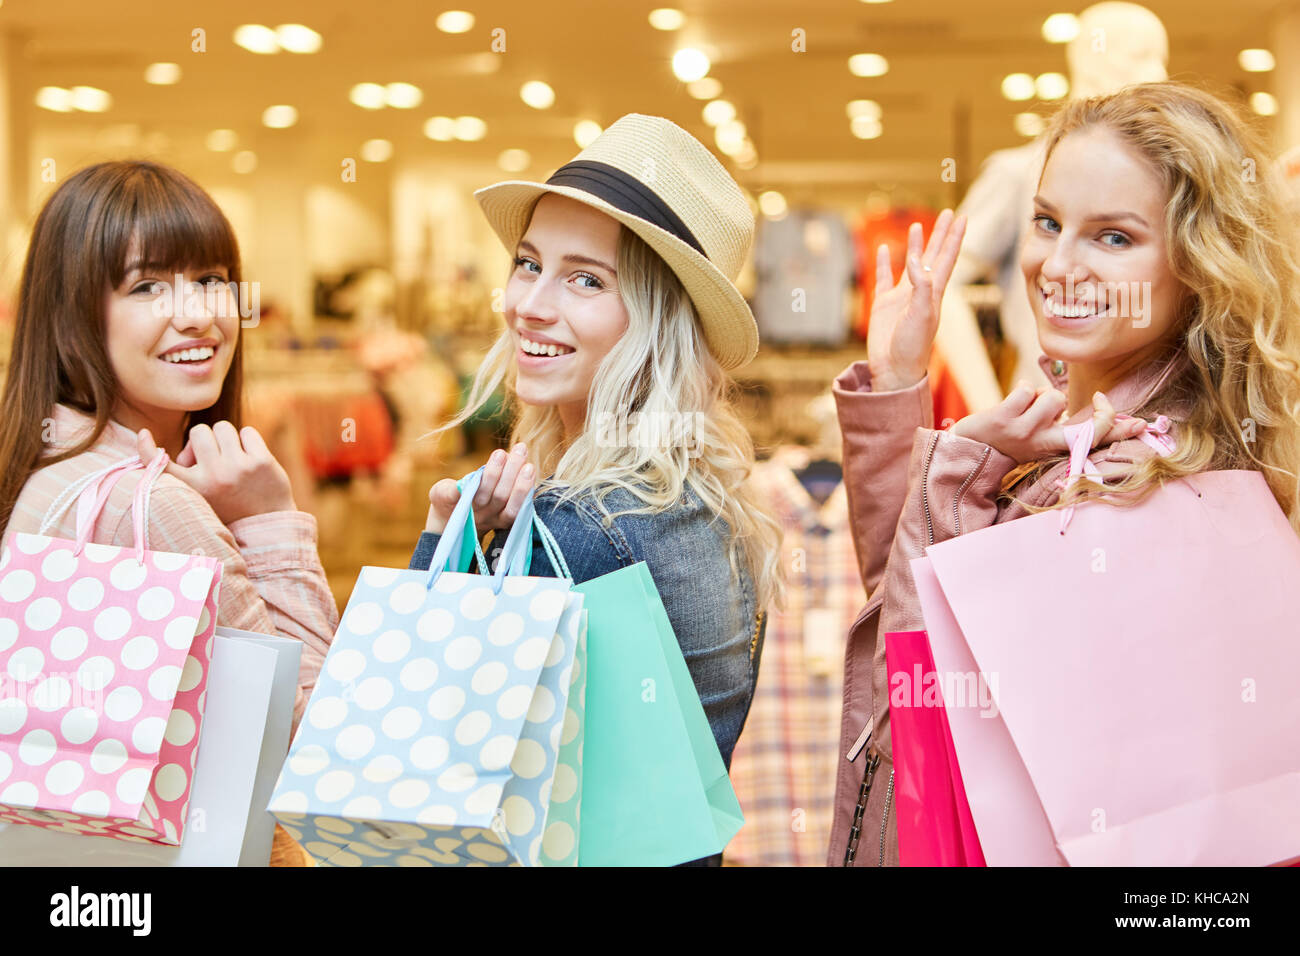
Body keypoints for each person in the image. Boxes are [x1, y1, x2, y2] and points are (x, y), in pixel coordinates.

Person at [828, 81, 1300, 866]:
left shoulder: (1124, 484)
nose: (1057, 264)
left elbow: (921, 710)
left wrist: (954, 475)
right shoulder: (1077, 436)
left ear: (1198, 264)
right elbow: (901, 605)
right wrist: (901, 385)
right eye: (1048, 222)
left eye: (1113, 237)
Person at [408, 115, 786, 862]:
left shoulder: (582, 527)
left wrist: (440, 548)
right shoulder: (705, 503)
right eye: (528, 263)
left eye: (586, 279)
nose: (529, 304)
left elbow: (423, 740)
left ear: (658, 320)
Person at [0, 161, 338, 728]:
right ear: (70, 317)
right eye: (146, 287)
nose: (199, 316)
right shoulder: (149, 504)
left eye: (211, 280)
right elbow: (312, 739)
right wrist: (270, 520)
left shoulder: (55, 460)